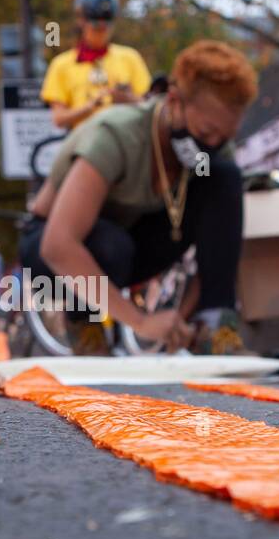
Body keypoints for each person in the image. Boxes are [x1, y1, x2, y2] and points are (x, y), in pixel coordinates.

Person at [21, 40, 258, 355]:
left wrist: (181, 320)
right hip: (54, 248)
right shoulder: (118, 134)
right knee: (110, 244)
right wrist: (140, 322)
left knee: (225, 176)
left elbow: (218, 243)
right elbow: (58, 245)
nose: (212, 144)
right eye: (205, 133)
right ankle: (83, 322)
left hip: (130, 246)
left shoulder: (212, 151)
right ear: (173, 101)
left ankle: (216, 326)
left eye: (223, 137)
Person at [41, 0, 152, 131]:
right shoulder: (62, 64)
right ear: (82, 22)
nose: (102, 32)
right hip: (82, 139)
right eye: (96, 26)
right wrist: (89, 107)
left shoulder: (130, 57)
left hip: (125, 138)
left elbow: (149, 107)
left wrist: (128, 99)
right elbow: (59, 118)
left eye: (106, 26)